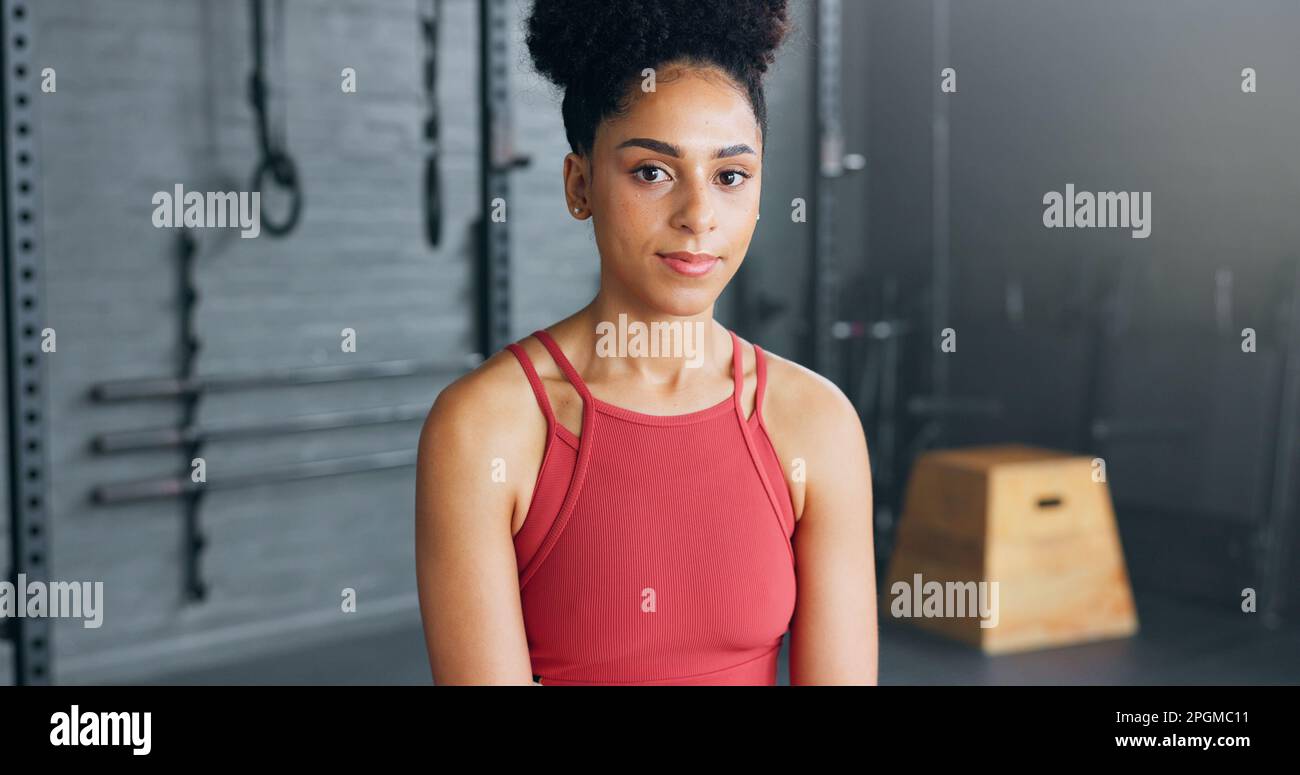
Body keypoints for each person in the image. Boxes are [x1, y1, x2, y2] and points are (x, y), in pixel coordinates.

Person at [416, 0, 876, 685]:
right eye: (652, 172)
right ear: (581, 185)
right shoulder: (483, 429)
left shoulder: (817, 423)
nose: (698, 216)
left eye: (729, 176)